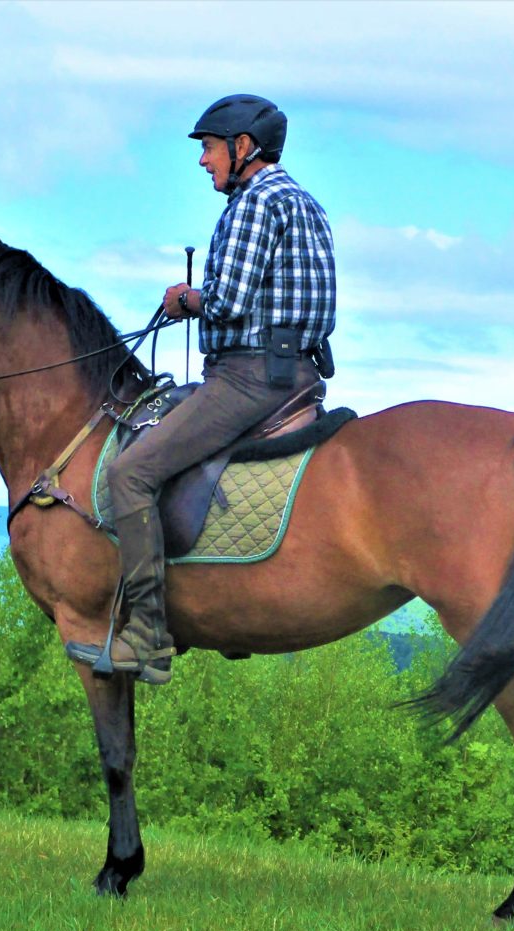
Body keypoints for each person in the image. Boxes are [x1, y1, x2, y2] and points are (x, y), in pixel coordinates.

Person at [72, 94, 336, 685]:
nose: (203, 161)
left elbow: (229, 301)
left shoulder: (253, 204)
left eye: (210, 148)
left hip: (249, 378)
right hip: (298, 373)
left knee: (129, 474)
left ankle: (147, 635)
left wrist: (186, 299)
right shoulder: (306, 203)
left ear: (244, 148)